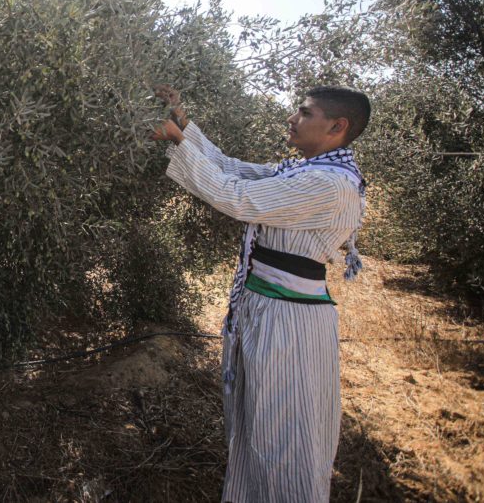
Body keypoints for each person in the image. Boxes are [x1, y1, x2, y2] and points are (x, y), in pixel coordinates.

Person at [151, 85, 369, 503]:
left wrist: (178, 141)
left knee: (287, 436)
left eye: (304, 113)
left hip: (290, 325)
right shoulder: (302, 171)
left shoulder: (328, 185)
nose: (292, 119)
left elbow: (238, 197)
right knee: (258, 428)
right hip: (267, 312)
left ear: (337, 126)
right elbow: (231, 169)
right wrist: (181, 121)